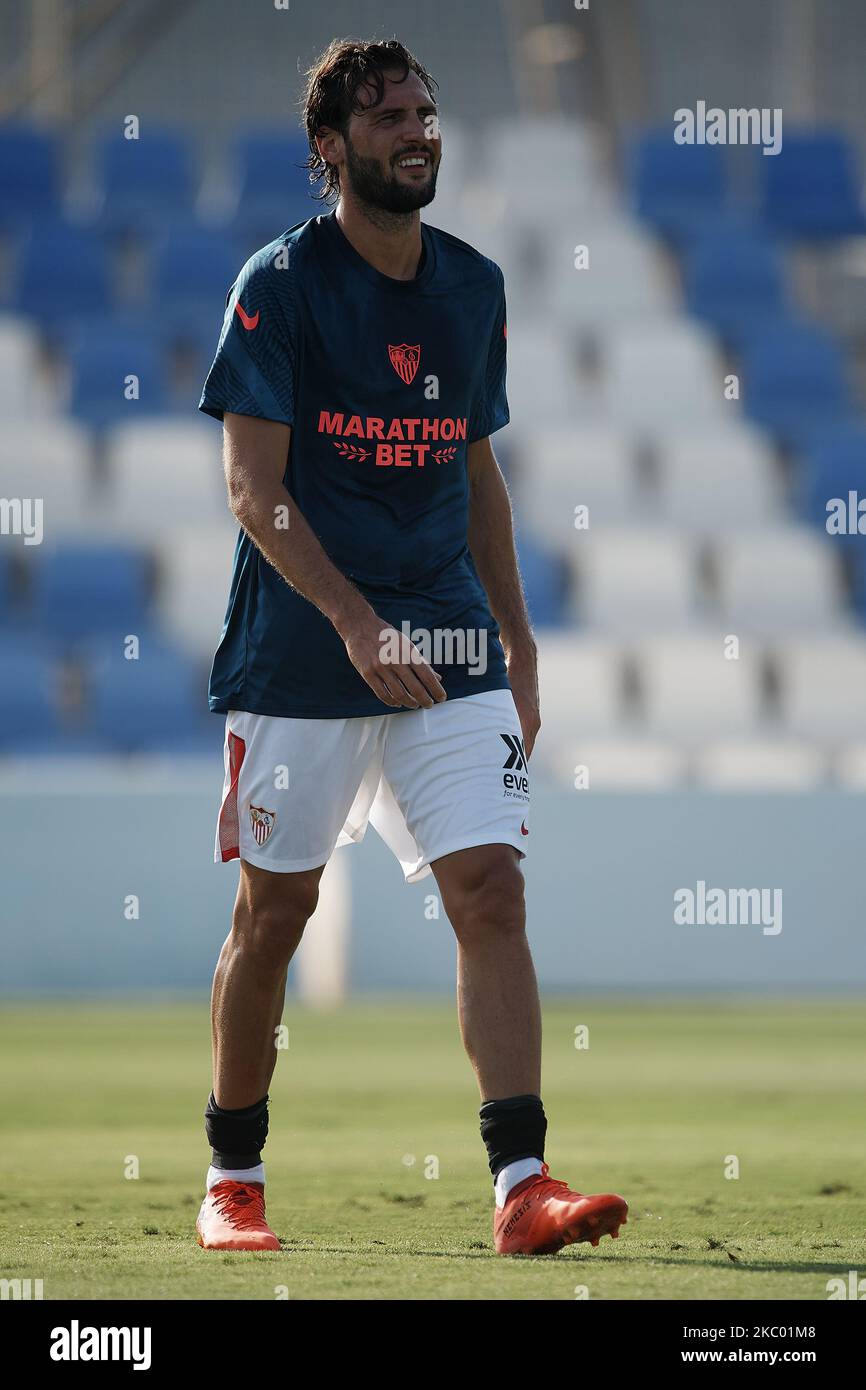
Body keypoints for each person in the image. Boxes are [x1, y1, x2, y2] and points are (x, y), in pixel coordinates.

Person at [195, 36, 627, 1257]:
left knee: (490, 890)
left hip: (447, 640)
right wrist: (349, 619)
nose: (415, 131)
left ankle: (521, 1182)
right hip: (301, 650)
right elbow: (251, 485)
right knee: (273, 916)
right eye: (386, 116)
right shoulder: (277, 284)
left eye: (425, 111)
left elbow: (474, 471)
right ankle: (232, 1174)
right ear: (330, 149)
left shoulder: (472, 287)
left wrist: (519, 648)